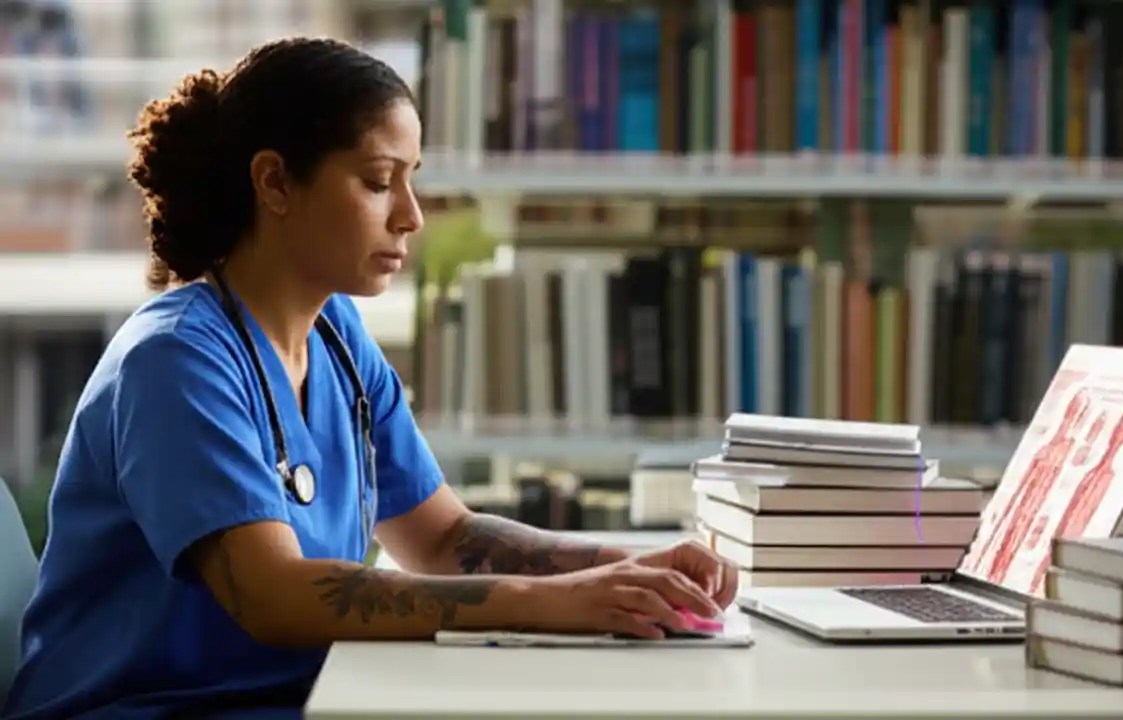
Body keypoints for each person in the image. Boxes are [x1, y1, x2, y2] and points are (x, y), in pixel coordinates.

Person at [1, 37, 737, 720]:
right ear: (275, 182)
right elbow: (274, 597)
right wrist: (548, 603)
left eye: (411, 183)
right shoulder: (175, 361)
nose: (411, 217)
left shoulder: (337, 339)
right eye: (379, 181)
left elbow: (444, 535)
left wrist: (631, 565)